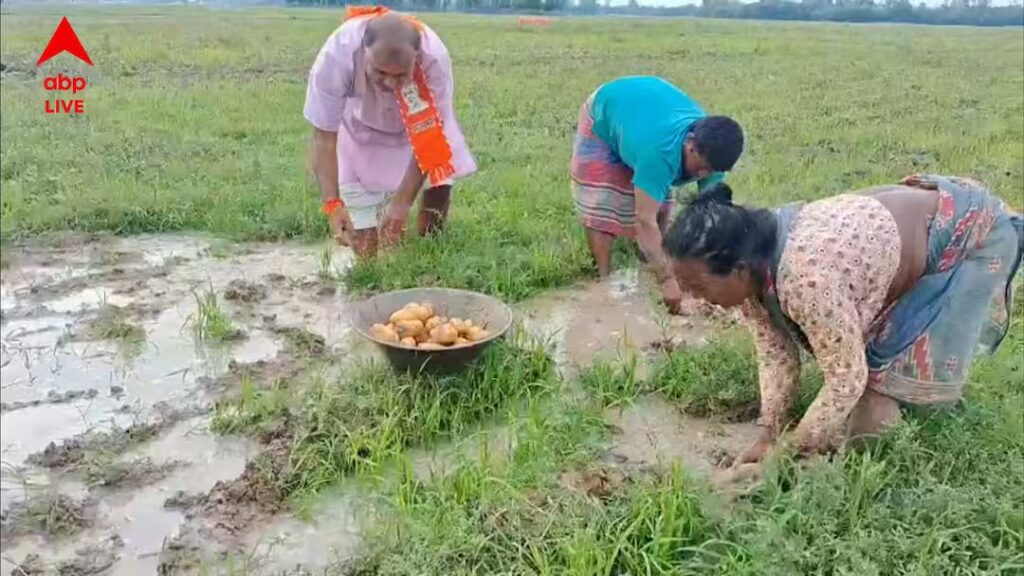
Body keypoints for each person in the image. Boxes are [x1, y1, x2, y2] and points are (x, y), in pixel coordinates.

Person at [663, 174, 1023, 468]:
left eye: (697, 286)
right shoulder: (749, 254)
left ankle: (914, 455)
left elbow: (846, 379)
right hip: (896, 234)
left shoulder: (804, 278)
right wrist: (768, 432)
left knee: (872, 415)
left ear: (738, 271)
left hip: (967, 236)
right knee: (857, 372)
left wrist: (788, 454)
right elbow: (775, 352)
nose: (694, 297)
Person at [304, 6, 477, 258]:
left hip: (420, 126)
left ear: (416, 58)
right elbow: (324, 137)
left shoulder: (435, 60)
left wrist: (402, 204)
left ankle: (431, 256)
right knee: (365, 245)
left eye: (400, 75)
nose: (389, 83)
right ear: (364, 52)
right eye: (380, 72)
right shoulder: (336, 55)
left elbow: (430, 140)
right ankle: (369, 275)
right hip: (361, 126)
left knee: (437, 189)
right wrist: (332, 204)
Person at [570, 76, 744, 313]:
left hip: (645, 116)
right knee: (602, 208)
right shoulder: (660, 151)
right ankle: (604, 279)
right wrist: (667, 281)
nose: (703, 174)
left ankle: (651, 260)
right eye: (701, 166)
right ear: (689, 143)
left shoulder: (713, 154)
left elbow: (713, 217)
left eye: (711, 171)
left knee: (661, 206)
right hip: (607, 110)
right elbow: (644, 220)